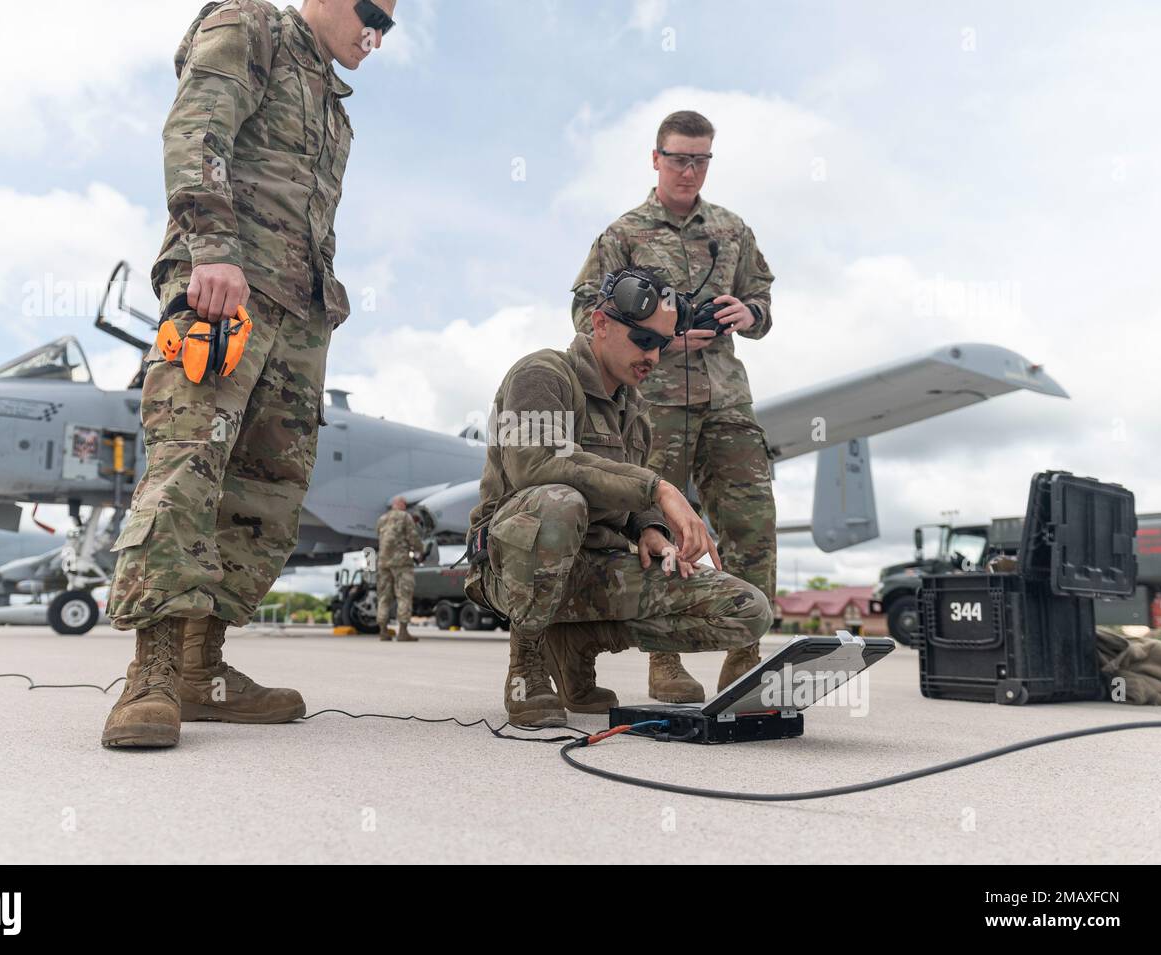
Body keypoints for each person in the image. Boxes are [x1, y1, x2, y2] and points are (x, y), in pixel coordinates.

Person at [102, 0, 397, 749]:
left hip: (298, 315)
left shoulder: (335, 105)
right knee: (189, 467)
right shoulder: (253, 26)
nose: (378, 34)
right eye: (371, 13)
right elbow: (197, 126)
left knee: (265, 495)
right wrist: (212, 249)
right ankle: (154, 673)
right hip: (224, 293)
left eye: (390, 25)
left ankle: (204, 666)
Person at [465, 267, 773, 727]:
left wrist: (649, 527)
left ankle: (576, 646)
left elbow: (627, 497)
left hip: (594, 568)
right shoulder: (542, 373)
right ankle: (526, 664)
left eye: (664, 344)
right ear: (601, 323)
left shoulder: (635, 411)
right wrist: (658, 488)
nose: (654, 355)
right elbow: (536, 463)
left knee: (747, 610)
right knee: (559, 501)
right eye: (644, 339)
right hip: (512, 568)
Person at [570, 109, 777, 704]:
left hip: (727, 398)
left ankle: (745, 661)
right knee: (660, 526)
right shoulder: (624, 233)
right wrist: (656, 335)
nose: (691, 170)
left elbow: (762, 294)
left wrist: (751, 314)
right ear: (655, 158)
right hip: (654, 400)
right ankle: (666, 661)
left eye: (702, 159)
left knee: (753, 522)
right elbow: (586, 311)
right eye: (680, 158)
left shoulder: (733, 230)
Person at [374, 496, 421, 642]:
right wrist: (420, 548)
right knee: (404, 595)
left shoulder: (382, 519)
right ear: (401, 505)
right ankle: (403, 632)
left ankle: (383, 631)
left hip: (383, 562)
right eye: (404, 504)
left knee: (383, 597)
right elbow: (413, 537)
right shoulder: (405, 517)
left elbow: (378, 536)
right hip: (401, 562)